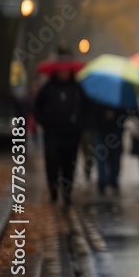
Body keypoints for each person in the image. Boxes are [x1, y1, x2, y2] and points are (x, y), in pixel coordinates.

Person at [33, 67, 86, 205]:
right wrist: (45, 122)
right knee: (52, 164)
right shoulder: (48, 89)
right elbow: (37, 108)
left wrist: (79, 124)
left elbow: (85, 107)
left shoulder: (76, 89)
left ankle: (67, 193)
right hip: (52, 135)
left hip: (71, 135)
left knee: (69, 166)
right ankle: (53, 190)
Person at [88, 100, 125, 195]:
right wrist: (104, 114)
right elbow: (91, 111)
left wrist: (115, 114)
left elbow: (126, 112)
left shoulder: (120, 98)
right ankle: (102, 181)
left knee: (115, 157)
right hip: (101, 130)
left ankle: (113, 180)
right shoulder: (96, 97)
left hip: (116, 132)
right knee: (101, 156)